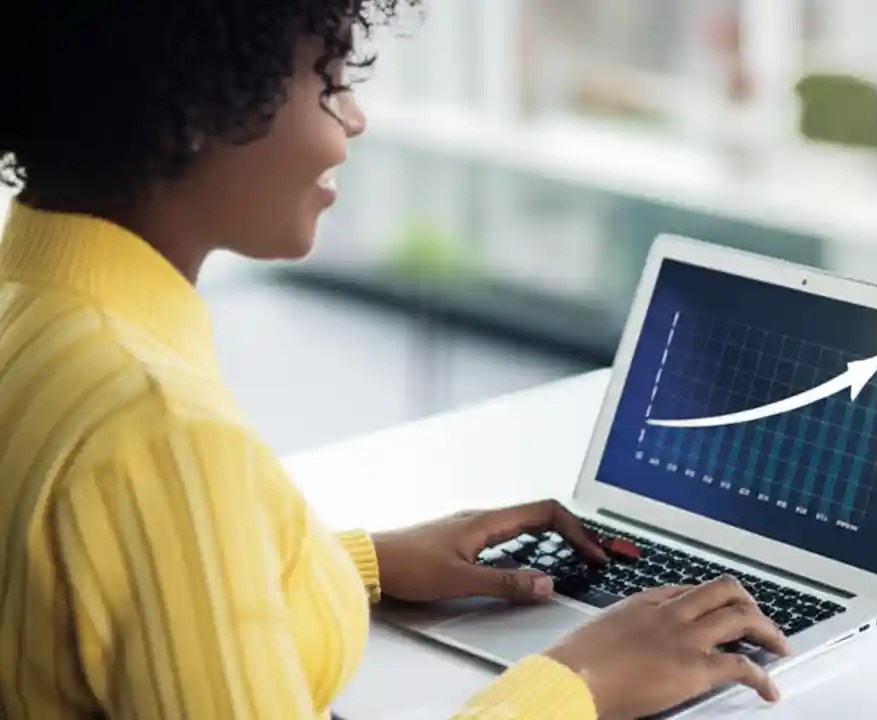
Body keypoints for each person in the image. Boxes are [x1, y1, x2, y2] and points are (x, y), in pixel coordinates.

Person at [0, 2, 789, 719]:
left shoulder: (32, 314)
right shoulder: (163, 432)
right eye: (329, 80)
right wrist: (580, 681)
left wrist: (345, 564)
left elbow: (88, 593)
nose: (356, 116)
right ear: (201, 104)